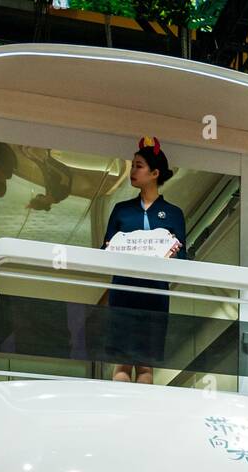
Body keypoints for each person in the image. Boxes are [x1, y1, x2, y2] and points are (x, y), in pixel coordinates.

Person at [101, 137, 187, 384]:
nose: (132, 171)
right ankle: (120, 415)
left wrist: (173, 254)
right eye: (133, 165)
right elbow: (104, 250)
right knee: (121, 363)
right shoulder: (121, 210)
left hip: (155, 292)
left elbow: (183, 255)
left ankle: (140, 418)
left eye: (138, 166)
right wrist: (110, 248)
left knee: (146, 365)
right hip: (123, 290)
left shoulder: (173, 213)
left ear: (155, 173)